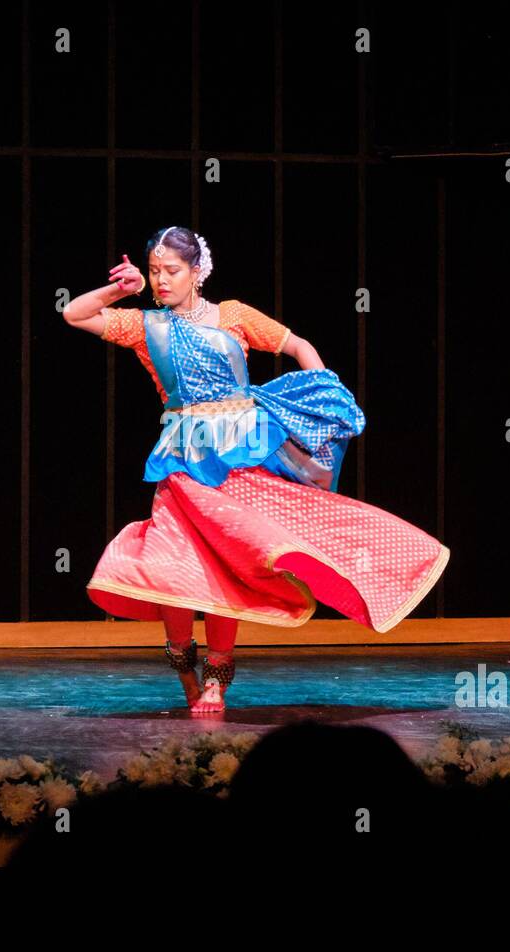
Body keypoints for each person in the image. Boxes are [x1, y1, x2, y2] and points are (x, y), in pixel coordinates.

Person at [63, 226, 449, 715]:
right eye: (155, 272)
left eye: (172, 271)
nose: (161, 281)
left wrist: (321, 394)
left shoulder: (234, 316)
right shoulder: (146, 326)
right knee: (173, 569)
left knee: (236, 565)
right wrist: (120, 291)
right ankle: (186, 672)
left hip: (241, 460)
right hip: (182, 461)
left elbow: (297, 345)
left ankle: (216, 683)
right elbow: (73, 313)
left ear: (197, 272)